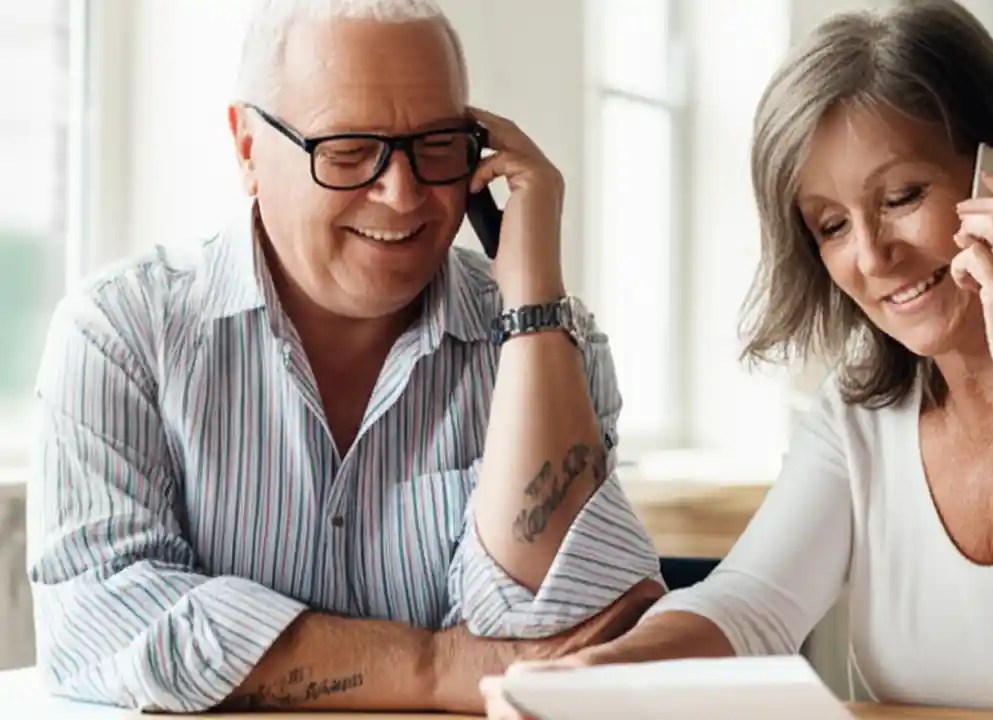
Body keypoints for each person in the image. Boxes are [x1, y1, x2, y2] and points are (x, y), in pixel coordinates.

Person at [482, 1, 993, 718]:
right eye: (830, 225)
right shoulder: (858, 411)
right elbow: (751, 606)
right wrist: (589, 677)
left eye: (902, 198)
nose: (873, 256)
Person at [26, 0, 663, 713]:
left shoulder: (544, 341)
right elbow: (100, 628)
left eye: (439, 145)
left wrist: (534, 306)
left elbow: (559, 646)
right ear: (246, 147)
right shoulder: (120, 333)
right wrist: (429, 666)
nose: (402, 194)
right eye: (349, 151)